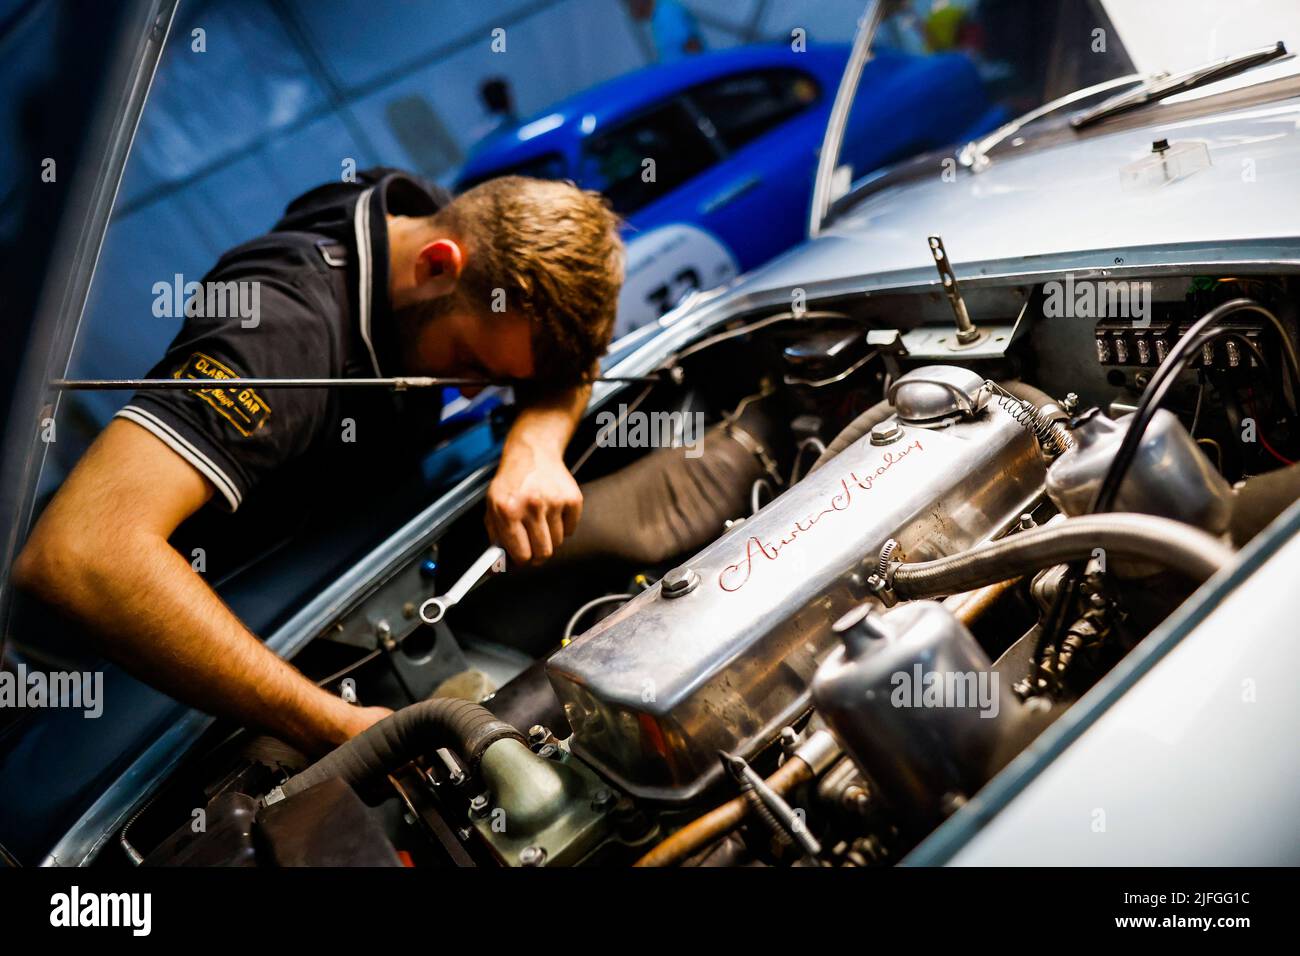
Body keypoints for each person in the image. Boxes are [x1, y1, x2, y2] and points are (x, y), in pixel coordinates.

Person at [13, 168, 624, 754]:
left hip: (306, 583)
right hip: (91, 675)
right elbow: (81, 553)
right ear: (437, 264)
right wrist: (326, 726)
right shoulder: (278, 335)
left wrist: (535, 446)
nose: (470, 392)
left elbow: (575, 364)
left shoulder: (425, 219)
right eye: (470, 361)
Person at [629, 0, 705, 64]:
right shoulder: (656, 18)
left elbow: (693, 45)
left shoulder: (666, 13)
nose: (630, 10)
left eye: (631, 4)